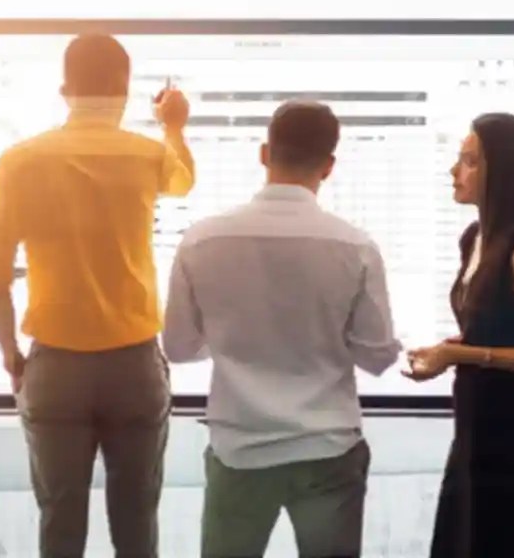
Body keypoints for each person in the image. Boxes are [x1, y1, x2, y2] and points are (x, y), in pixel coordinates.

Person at [0, 34, 195, 557]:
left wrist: (11, 354)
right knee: (137, 522)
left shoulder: (19, 161)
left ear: (64, 90)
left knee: (60, 522)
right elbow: (183, 180)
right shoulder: (147, 155)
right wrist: (173, 125)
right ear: (125, 89)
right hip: (134, 365)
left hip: (55, 367)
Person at [163, 101, 401, 558]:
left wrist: (230, 334)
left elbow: (178, 347)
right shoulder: (356, 246)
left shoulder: (202, 241)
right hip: (327, 446)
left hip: (240, 448)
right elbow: (376, 356)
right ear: (328, 166)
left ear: (264, 153)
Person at [404, 112, 514, 558]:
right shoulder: (474, 239)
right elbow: (493, 328)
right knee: (458, 540)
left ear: (503, 171)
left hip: (505, 424)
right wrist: (449, 351)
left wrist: (464, 355)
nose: (454, 171)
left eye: (469, 161)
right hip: (472, 418)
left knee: (489, 542)